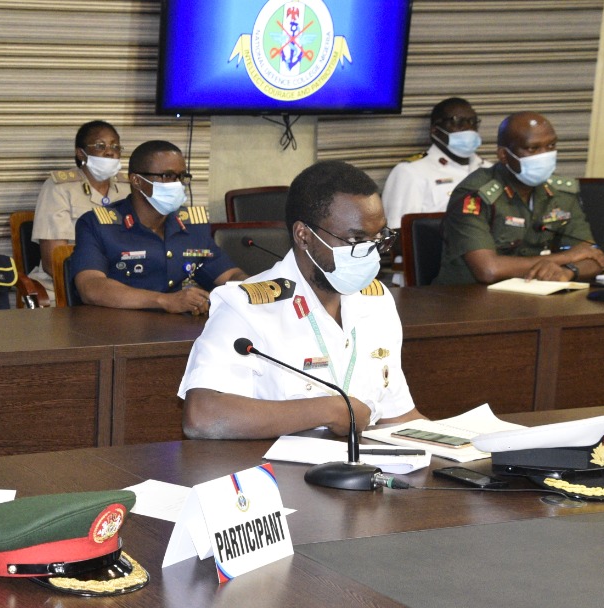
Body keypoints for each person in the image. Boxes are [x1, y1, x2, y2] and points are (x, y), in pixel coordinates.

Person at [179, 160, 425, 440]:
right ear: (304, 236)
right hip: (280, 475)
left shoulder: (377, 301)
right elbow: (202, 416)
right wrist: (329, 410)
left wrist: (462, 450)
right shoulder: (248, 306)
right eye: (356, 240)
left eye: (378, 238)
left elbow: (398, 416)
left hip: (363, 474)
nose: (372, 253)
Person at [72, 140, 245, 314]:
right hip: (120, 331)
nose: (177, 184)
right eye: (167, 176)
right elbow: (91, 287)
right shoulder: (98, 224)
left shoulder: (192, 226)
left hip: (182, 331)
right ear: (137, 181)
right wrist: (164, 301)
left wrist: (252, 286)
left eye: (181, 177)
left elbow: (229, 275)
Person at [435, 111, 604, 285]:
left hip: (535, 299)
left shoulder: (561, 192)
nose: (544, 155)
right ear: (504, 155)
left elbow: (594, 257)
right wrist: (567, 257)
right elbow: (488, 270)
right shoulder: (476, 194)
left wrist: (568, 272)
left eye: (551, 145)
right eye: (532, 148)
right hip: (466, 300)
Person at [32, 120, 130, 286]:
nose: (109, 153)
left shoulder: (128, 188)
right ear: (81, 153)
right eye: (100, 146)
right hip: (68, 285)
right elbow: (54, 262)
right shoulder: (60, 188)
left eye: (115, 147)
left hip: (122, 282)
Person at [382, 97, 486, 230]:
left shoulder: (490, 169)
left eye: (473, 122)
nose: (468, 129)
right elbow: (399, 234)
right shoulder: (410, 172)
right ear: (435, 130)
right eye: (459, 122)